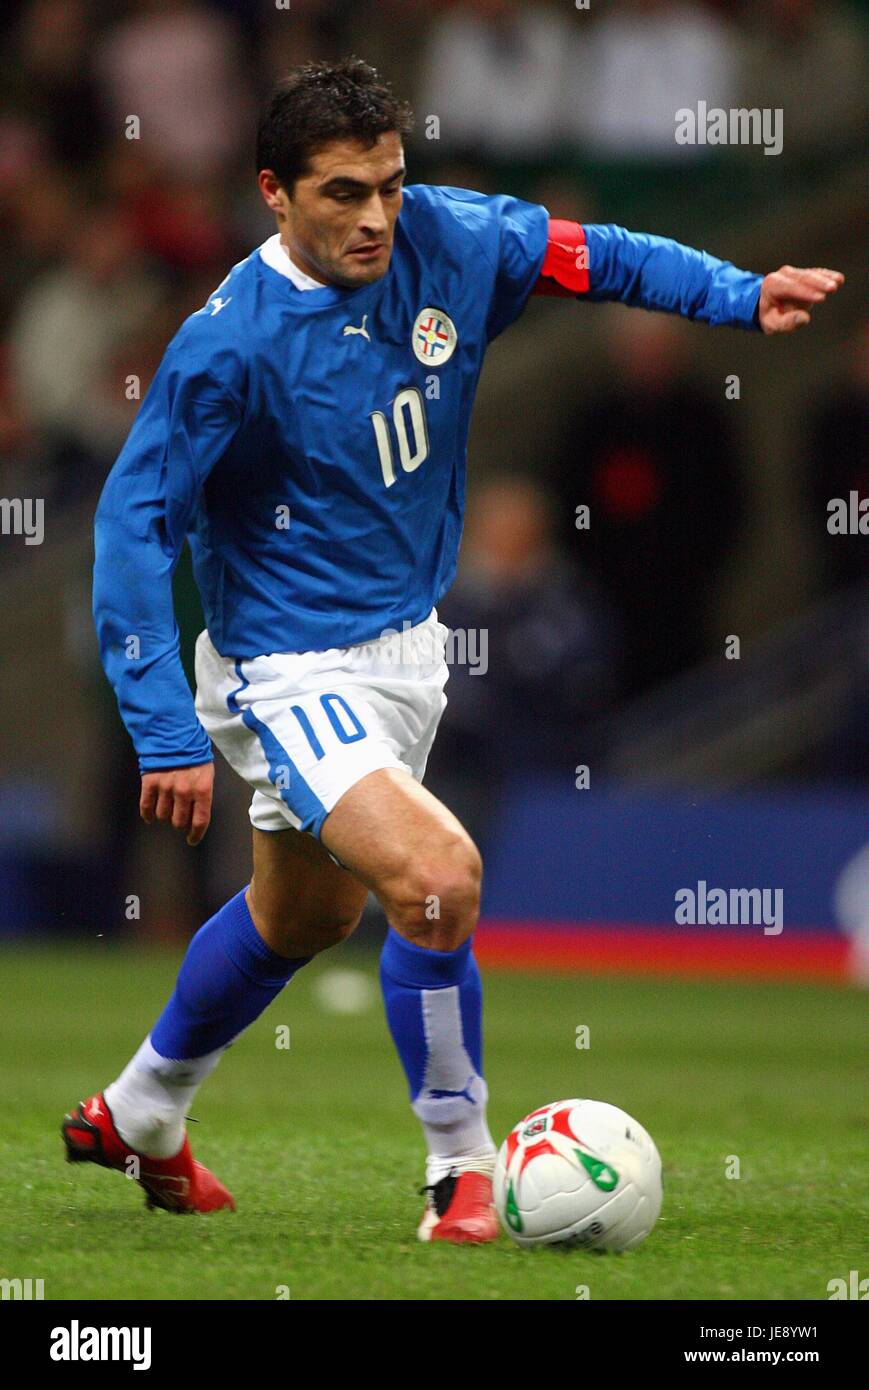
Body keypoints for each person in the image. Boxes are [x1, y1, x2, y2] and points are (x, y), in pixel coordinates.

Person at [63, 59, 843, 1244]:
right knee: (436, 881)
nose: (374, 216)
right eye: (339, 194)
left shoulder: (449, 237)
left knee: (302, 920)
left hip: (405, 655)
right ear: (273, 193)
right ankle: (460, 1172)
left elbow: (596, 256)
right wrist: (163, 722)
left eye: (386, 183)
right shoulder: (229, 343)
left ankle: (141, 1110)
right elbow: (132, 523)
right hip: (285, 666)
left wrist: (741, 296)